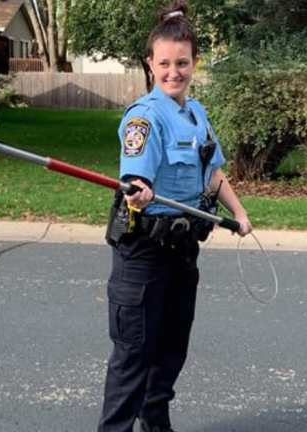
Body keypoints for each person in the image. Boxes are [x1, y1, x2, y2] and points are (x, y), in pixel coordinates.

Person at [98, 2, 253, 431]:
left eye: (181, 63)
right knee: (133, 358)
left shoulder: (196, 115)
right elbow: (134, 181)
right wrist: (137, 195)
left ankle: (155, 424)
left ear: (193, 63)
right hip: (144, 252)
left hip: (183, 253)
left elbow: (213, 172)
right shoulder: (144, 118)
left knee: (169, 352)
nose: (173, 72)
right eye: (164, 63)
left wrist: (238, 213)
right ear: (151, 64)